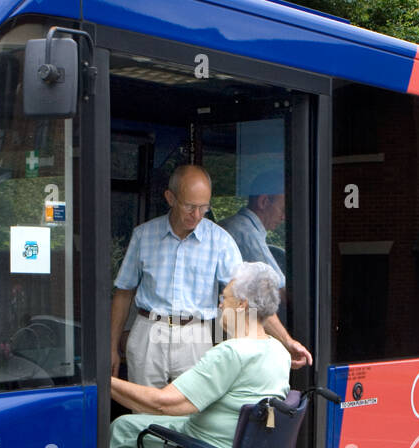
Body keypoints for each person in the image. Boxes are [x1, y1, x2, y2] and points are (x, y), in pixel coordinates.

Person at [108, 263, 292, 448]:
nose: (219, 307)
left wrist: (106, 384)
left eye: (223, 299)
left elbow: (163, 404)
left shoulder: (231, 353)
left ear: (241, 305)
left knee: (122, 427)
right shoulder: (278, 351)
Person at [111, 164, 310, 388]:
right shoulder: (144, 235)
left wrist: (286, 341)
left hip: (197, 334)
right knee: (141, 415)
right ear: (170, 198)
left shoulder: (221, 241)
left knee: (192, 417)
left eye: (203, 208)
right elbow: (123, 293)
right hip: (149, 331)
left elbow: (247, 296)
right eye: (189, 206)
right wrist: (111, 348)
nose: (196, 215)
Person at [220, 167, 286, 288]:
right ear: (263, 202)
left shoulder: (234, 225)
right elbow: (277, 288)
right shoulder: (245, 233)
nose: (283, 217)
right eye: (283, 209)